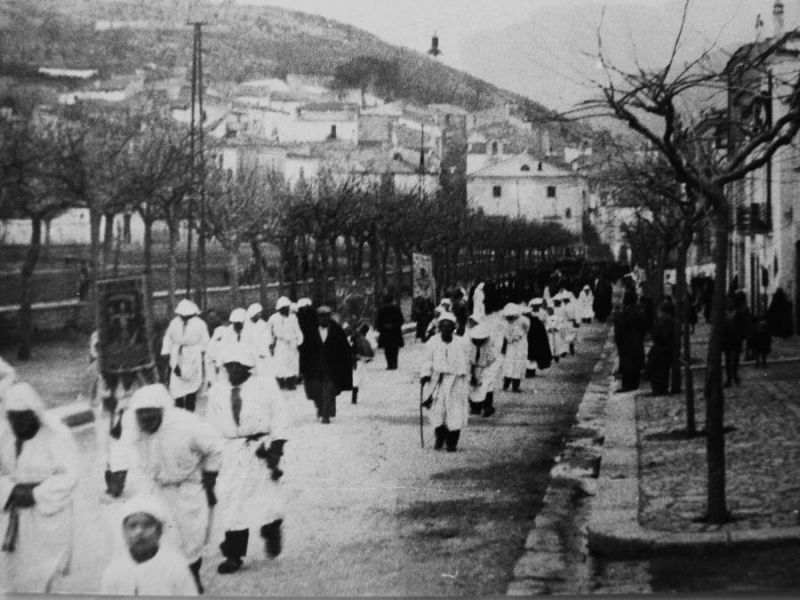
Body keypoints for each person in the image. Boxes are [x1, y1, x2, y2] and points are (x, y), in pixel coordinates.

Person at [119, 384, 223, 594]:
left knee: (190, 537)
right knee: (159, 535)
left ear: (162, 410)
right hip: (153, 488)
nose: (145, 418)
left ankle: (192, 578)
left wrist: (209, 480)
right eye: (141, 412)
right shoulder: (132, 427)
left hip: (187, 487)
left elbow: (215, 448)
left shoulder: (186, 424)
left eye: (150, 411)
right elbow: (122, 454)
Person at [206, 346, 289, 574]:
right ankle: (234, 554)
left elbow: (279, 415)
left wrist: (276, 447)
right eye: (228, 366)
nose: (231, 371)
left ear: (247, 368)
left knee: (266, 499)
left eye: (236, 366)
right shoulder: (218, 390)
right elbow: (211, 425)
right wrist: (211, 458)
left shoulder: (264, 386)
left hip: (259, 448)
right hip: (231, 450)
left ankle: (271, 529)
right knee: (232, 501)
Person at [0, 382, 79, 593]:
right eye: (12, 416)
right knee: (15, 574)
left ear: (34, 413)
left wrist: (35, 494)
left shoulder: (56, 434)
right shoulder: (4, 436)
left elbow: (70, 476)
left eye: (22, 415)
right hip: (14, 514)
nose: (17, 422)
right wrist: (10, 490)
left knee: (48, 573)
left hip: (51, 515)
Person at [100, 495, 198, 596]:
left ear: (159, 531)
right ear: (124, 532)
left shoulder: (175, 567)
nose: (139, 532)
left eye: (147, 525)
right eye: (132, 526)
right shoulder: (114, 571)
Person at [420, 312, 470, 452]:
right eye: (443, 326)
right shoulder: (432, 342)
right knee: (437, 409)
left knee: (455, 411)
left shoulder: (461, 342)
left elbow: (467, 362)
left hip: (456, 381)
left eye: (450, 326)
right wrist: (425, 374)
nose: (446, 329)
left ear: (454, 327)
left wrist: (468, 380)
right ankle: (440, 435)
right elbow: (426, 360)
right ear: (439, 327)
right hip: (437, 380)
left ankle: (452, 441)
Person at [301, 306, 353, 424]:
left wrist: (346, 364)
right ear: (317, 318)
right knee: (316, 390)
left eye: (326, 316)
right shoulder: (311, 331)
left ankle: (326, 414)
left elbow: (344, 350)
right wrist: (303, 368)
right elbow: (305, 351)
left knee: (329, 389)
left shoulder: (337, 331)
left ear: (329, 317)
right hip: (315, 368)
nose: (323, 319)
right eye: (321, 316)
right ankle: (321, 409)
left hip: (331, 367)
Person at [161, 299, 209, 412]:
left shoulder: (200, 324)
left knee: (191, 389)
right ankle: (179, 410)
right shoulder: (174, 323)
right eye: (182, 315)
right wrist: (166, 351)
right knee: (176, 388)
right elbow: (168, 337)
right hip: (177, 355)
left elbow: (205, 341)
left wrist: (201, 351)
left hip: (192, 356)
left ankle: (190, 412)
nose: (184, 318)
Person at [266, 297, 304, 390]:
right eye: (284, 307)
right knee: (280, 363)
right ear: (280, 308)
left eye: (287, 307)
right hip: (281, 344)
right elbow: (268, 332)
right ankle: (281, 382)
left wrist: (299, 341)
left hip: (292, 344)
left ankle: (291, 382)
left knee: (292, 363)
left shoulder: (293, 317)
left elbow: (297, 330)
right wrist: (270, 343)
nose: (286, 309)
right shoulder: (274, 318)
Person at [615, 292, 647, 392]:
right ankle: (634, 384)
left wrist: (619, 342)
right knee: (636, 363)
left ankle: (627, 385)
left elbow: (619, 330)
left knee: (627, 365)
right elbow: (644, 328)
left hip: (626, 343)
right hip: (637, 341)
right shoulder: (640, 313)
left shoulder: (623, 314)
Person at [468, 320, 499, 417]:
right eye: (476, 340)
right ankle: (475, 407)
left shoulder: (490, 345)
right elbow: (468, 361)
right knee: (472, 387)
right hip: (473, 367)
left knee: (487, 385)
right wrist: (472, 375)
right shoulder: (468, 345)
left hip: (488, 367)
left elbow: (492, 361)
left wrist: (483, 374)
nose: (478, 342)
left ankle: (487, 406)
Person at [207, 308, 247, 383]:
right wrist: (216, 362)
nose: (238, 325)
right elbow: (213, 350)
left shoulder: (247, 333)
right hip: (226, 366)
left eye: (240, 323)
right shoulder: (223, 332)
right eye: (236, 323)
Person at [646, 302, 676, 395]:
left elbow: (664, 336)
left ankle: (659, 390)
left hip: (661, 350)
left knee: (659, 372)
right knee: (660, 372)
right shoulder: (665, 320)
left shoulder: (665, 321)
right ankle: (659, 390)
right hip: (662, 349)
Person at [500, 303, 528, 393]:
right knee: (509, 364)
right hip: (511, 346)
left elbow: (525, 331)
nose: (510, 319)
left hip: (521, 346)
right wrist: (512, 338)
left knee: (518, 365)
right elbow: (506, 336)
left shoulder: (523, 320)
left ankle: (515, 386)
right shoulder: (506, 324)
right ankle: (506, 385)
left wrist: (519, 335)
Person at [348, 321, 376, 405]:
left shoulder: (354, 337)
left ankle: (354, 398)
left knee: (355, 379)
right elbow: (369, 353)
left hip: (354, 360)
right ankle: (354, 398)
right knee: (357, 379)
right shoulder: (363, 340)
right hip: (359, 361)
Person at [722, 295, 747, 387]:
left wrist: (742, 337)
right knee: (727, 360)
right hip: (727, 340)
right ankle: (728, 378)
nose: (729, 304)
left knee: (736, 359)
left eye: (731, 302)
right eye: (727, 302)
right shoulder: (723, 314)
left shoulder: (739, 314)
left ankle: (735, 376)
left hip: (736, 340)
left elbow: (744, 326)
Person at [242, 303, 272, 377]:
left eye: (260, 313)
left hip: (262, 353)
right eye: (258, 313)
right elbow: (244, 340)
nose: (259, 315)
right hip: (250, 353)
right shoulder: (246, 325)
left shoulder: (263, 324)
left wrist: (262, 351)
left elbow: (267, 339)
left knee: (264, 372)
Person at [376, 294, 405, 370]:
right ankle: (389, 364)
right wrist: (383, 326)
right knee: (387, 349)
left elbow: (400, 320)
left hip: (394, 332)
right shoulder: (381, 310)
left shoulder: (396, 309)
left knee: (394, 349)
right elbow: (378, 322)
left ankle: (394, 364)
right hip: (386, 333)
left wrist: (393, 325)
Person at [526, 298, 553, 376]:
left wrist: (547, 329)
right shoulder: (529, 312)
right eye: (534, 306)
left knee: (539, 351)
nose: (536, 307)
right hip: (531, 334)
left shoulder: (543, 312)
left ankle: (538, 366)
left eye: (537, 306)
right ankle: (530, 370)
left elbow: (547, 322)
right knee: (531, 352)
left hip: (540, 333)